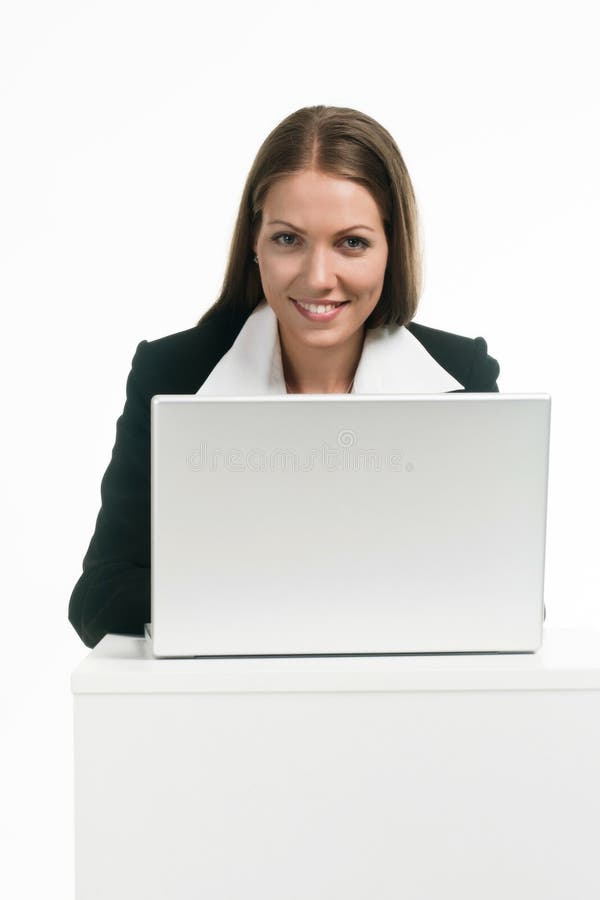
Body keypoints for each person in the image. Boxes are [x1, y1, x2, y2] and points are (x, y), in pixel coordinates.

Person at [68, 104, 501, 648]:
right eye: (289, 239)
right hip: (222, 706)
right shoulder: (173, 374)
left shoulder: (460, 379)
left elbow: (502, 593)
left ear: (393, 249)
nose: (319, 278)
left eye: (353, 242)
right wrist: (306, 597)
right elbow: (99, 597)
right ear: (255, 242)